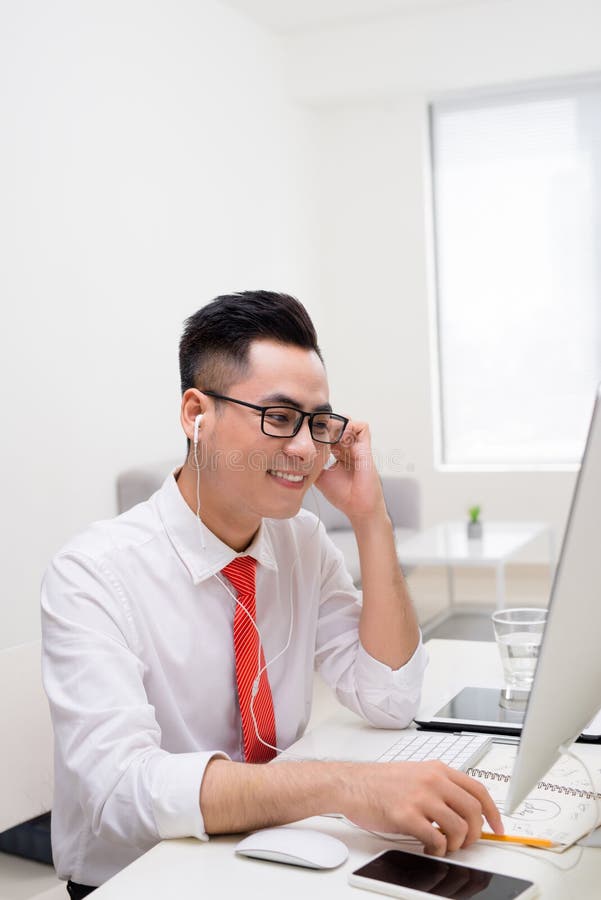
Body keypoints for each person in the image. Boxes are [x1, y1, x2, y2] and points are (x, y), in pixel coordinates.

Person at [41, 291, 502, 897]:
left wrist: (370, 518)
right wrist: (347, 786)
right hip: (144, 879)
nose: (308, 449)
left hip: (272, 854)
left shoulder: (301, 540)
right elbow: (120, 793)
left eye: (317, 422)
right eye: (279, 417)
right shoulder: (92, 573)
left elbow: (388, 696)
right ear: (195, 414)